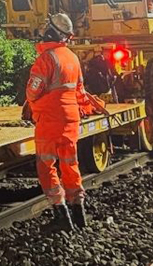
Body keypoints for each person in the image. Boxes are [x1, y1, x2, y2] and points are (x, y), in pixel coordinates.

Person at [24, 13, 98, 232]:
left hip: (49, 120)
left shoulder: (46, 59)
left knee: (47, 166)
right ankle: (79, 212)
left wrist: (34, 103)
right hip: (70, 120)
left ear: (51, 32)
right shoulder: (72, 58)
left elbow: (32, 91)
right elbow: (80, 91)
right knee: (70, 164)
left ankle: (61, 214)